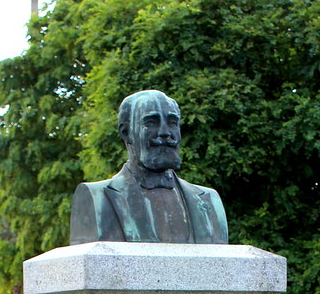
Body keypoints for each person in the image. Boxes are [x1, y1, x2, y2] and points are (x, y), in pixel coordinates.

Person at [70, 90, 228, 244]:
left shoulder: (209, 200)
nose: (165, 132)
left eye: (172, 123)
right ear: (126, 133)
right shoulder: (97, 198)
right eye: (151, 123)